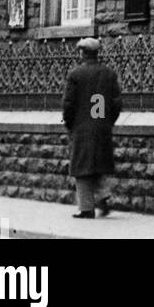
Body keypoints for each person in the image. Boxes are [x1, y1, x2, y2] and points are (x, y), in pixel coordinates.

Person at [62, 37, 122, 218]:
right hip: (102, 125)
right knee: (98, 164)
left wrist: (69, 123)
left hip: (82, 126)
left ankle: (87, 208)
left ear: (82, 53)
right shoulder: (108, 73)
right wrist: (108, 121)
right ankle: (103, 196)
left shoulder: (75, 74)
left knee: (82, 168)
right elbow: (116, 103)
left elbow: (69, 104)